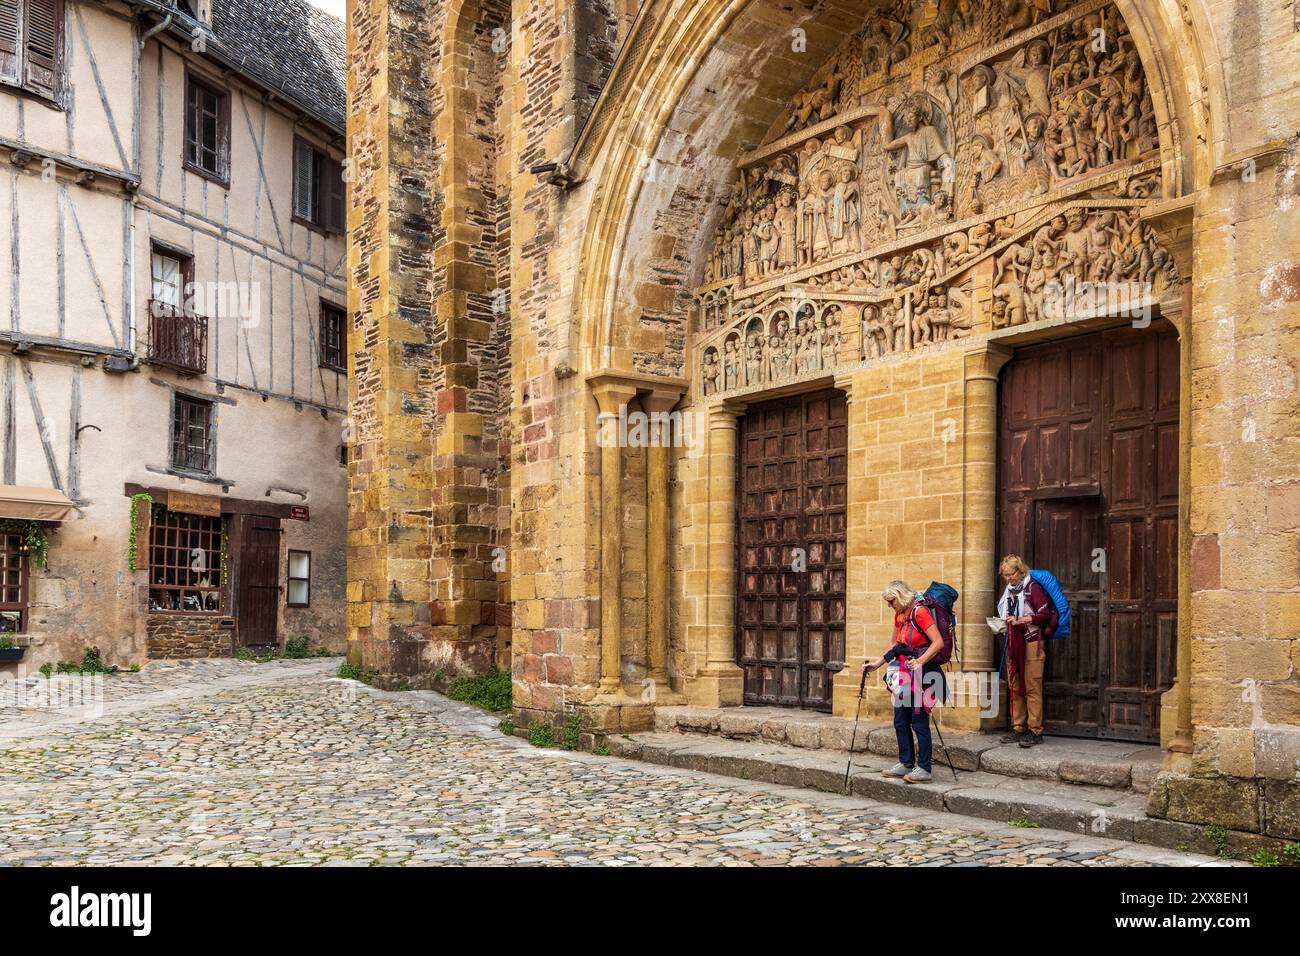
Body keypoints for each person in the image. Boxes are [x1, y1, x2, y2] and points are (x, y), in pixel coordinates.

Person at [864, 581, 946, 783]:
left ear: (900, 597)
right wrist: (877, 663)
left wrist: (919, 661)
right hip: (903, 675)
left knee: (919, 722)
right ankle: (906, 763)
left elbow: (938, 642)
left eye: (891, 601)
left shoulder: (920, 612)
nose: (890, 606)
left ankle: (924, 768)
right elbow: (894, 644)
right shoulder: (900, 615)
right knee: (900, 721)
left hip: (923, 674)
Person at [997, 555, 1057, 747]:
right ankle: (1018, 727)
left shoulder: (1033, 588)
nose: (1008, 578)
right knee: (1015, 685)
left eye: (1011, 574)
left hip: (1032, 642)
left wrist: (1024, 620)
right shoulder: (1009, 590)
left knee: (1032, 685)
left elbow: (1044, 615)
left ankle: (1035, 730)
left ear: (1021, 571)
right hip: (1014, 642)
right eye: (1005, 575)